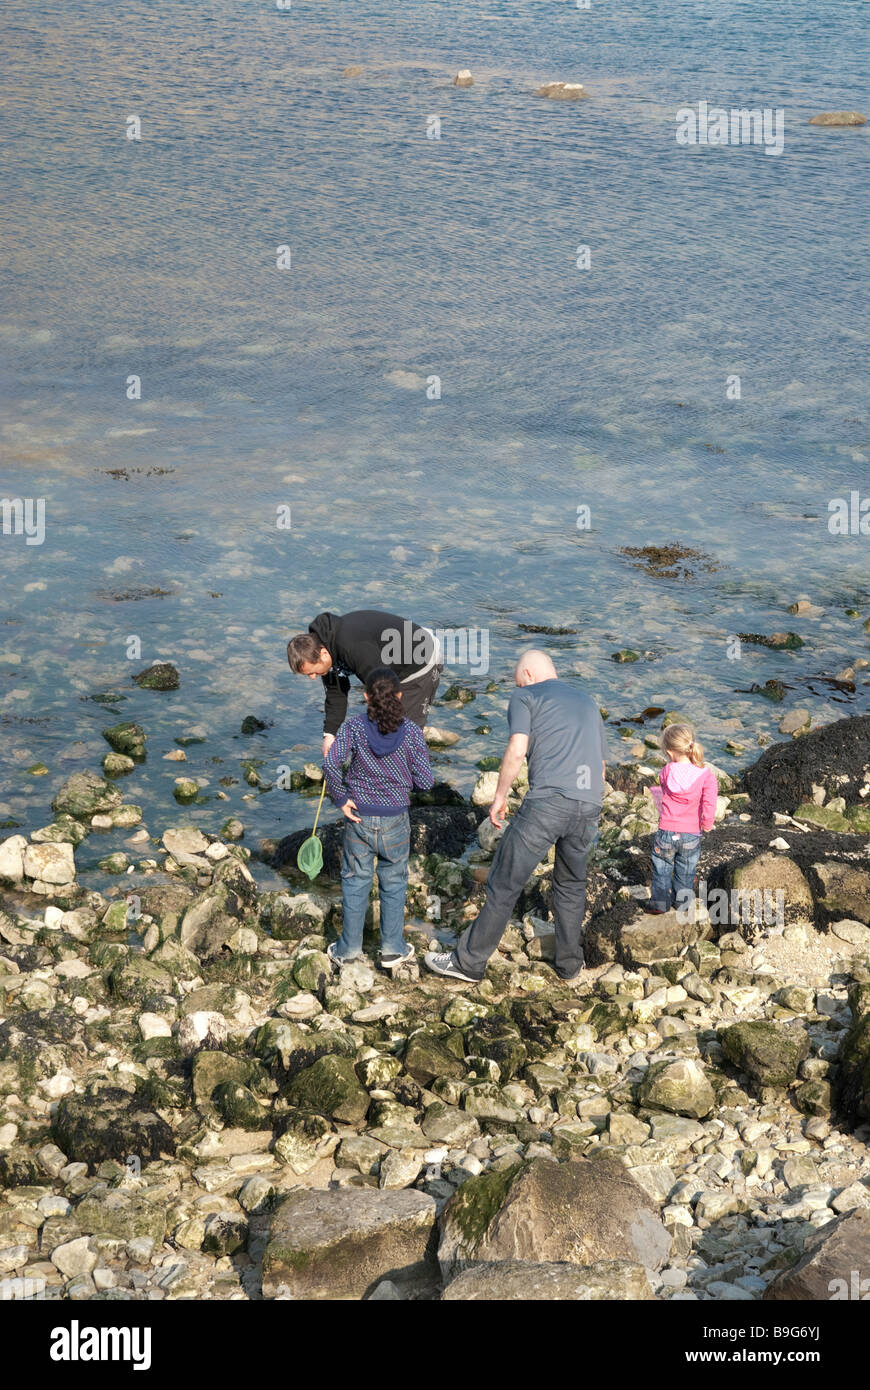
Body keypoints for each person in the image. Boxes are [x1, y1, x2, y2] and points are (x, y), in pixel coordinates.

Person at [424, 650, 609, 984]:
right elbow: (601, 765)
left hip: (548, 803)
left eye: (516, 679)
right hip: (589, 802)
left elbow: (517, 747)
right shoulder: (587, 701)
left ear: (527, 673)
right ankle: (569, 967)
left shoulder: (525, 695)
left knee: (503, 882)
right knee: (570, 887)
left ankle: (468, 963)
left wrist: (499, 796)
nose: (516, 684)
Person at [322, 667, 434, 970]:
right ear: (399, 695)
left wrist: (341, 798)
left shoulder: (354, 728)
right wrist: (404, 777)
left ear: (366, 696)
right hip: (396, 819)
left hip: (359, 817)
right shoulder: (411, 732)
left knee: (356, 881)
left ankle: (348, 950)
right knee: (394, 881)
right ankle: (391, 949)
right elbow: (425, 781)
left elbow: (331, 765)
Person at [287, 610, 443, 757]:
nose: (313, 677)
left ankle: (413, 779)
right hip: (390, 662)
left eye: (312, 672)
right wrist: (330, 735)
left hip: (420, 661)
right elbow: (336, 693)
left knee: (402, 736)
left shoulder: (354, 648)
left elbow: (385, 693)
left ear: (324, 654)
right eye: (309, 675)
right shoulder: (323, 647)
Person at [647, 723, 717, 915]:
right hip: (691, 833)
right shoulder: (706, 775)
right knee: (686, 870)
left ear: (669, 752)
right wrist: (707, 823)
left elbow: (663, 789)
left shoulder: (667, 771)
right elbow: (710, 802)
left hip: (667, 831)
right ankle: (683, 904)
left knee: (661, 867)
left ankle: (659, 904)